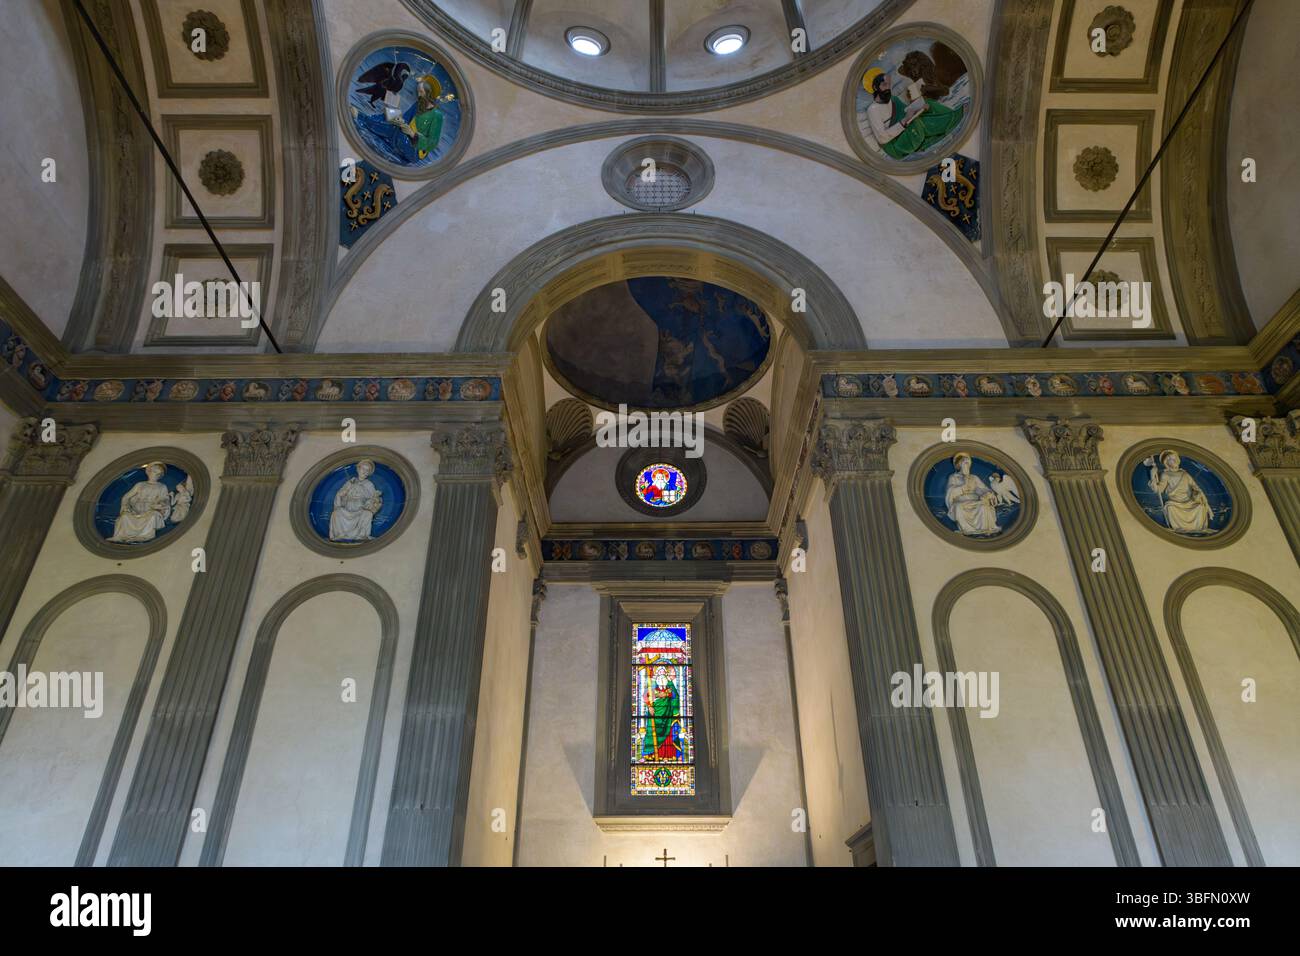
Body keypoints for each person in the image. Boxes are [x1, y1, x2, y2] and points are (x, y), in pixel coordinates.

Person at [861, 66, 964, 160]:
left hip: (907, 131)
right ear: (875, 88)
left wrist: (920, 107)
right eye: (884, 85)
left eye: (889, 84)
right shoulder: (873, 109)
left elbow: (906, 112)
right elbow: (882, 138)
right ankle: (951, 122)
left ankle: (952, 116)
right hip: (896, 146)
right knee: (916, 123)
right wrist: (904, 120)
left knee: (928, 104)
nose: (888, 88)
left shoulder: (894, 99)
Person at [1148, 451, 1210, 533]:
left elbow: (1195, 487)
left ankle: (1198, 529)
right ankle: (1179, 529)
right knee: (1170, 508)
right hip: (1175, 502)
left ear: (1177, 460)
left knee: (1200, 507)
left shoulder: (1185, 474)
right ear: (1166, 463)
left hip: (1189, 501)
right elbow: (1159, 490)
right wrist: (1152, 476)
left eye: (1173, 458)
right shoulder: (1166, 475)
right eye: (1169, 459)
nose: (1172, 461)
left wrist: (1198, 494)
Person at [109, 462, 173, 543]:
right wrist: (125, 506)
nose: (156, 475)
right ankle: (120, 536)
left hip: (152, 509)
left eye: (158, 473)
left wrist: (160, 504)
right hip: (136, 510)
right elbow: (126, 497)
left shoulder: (162, 486)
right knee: (124, 516)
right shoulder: (140, 485)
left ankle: (146, 536)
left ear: (160, 476)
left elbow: (165, 499)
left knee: (153, 516)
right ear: (149, 472)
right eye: (154, 471)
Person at [944, 453, 1000, 535]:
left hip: (975, 501)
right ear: (959, 464)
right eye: (964, 462)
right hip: (961, 501)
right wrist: (962, 488)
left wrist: (988, 494)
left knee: (984, 506)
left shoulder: (974, 477)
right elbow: (950, 492)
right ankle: (967, 529)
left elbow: (982, 489)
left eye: (968, 463)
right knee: (958, 507)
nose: (966, 465)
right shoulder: (953, 477)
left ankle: (985, 529)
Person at [329, 459, 383, 541]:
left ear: (369, 473)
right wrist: (346, 490)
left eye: (367, 470)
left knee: (368, 514)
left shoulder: (369, 484)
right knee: (336, 514)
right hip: (347, 509)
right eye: (363, 469)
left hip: (360, 509)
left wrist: (360, 488)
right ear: (358, 469)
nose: (364, 472)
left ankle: (361, 536)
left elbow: (371, 497)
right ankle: (340, 535)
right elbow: (340, 494)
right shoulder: (350, 482)